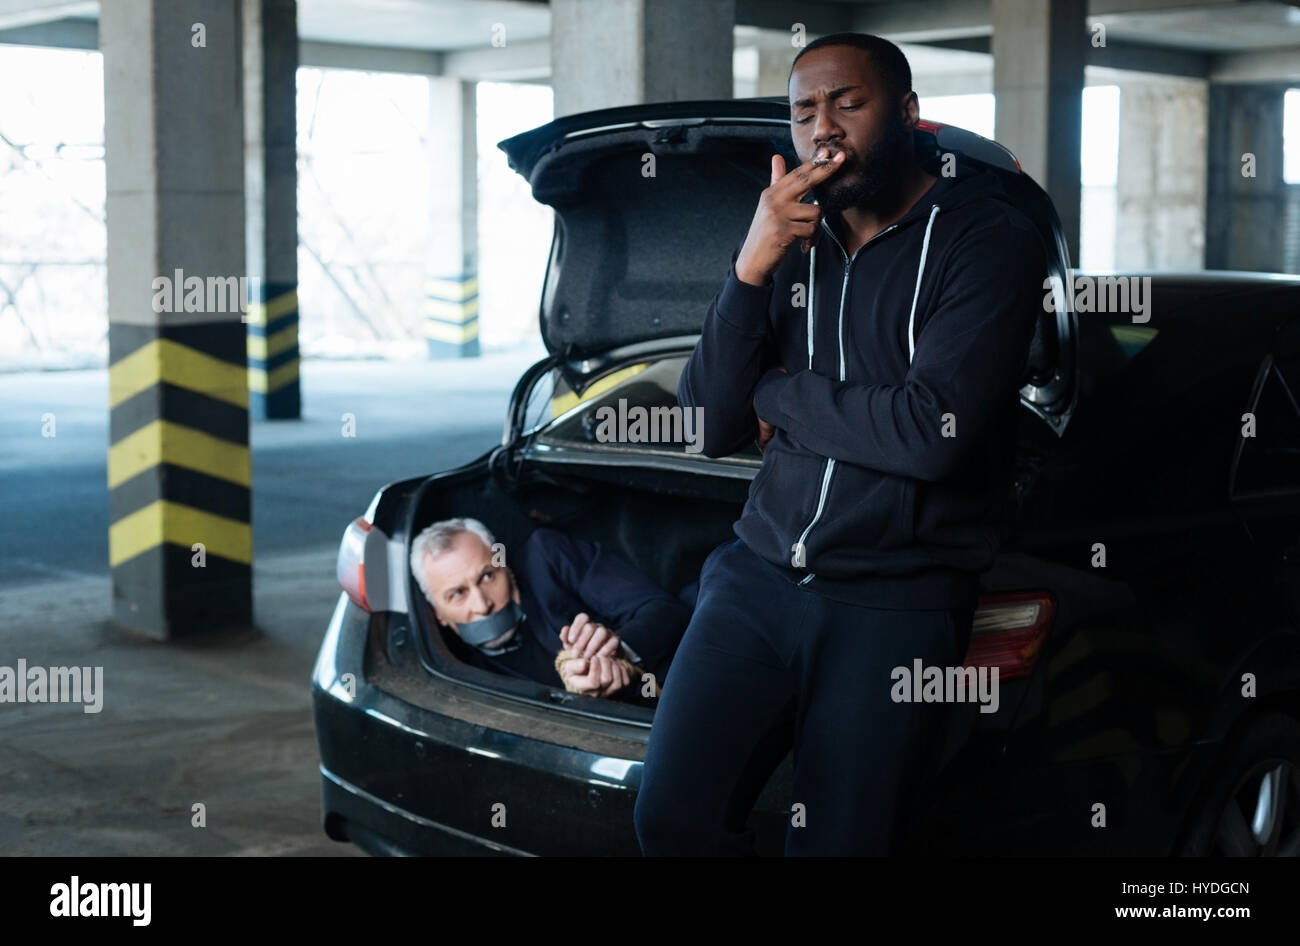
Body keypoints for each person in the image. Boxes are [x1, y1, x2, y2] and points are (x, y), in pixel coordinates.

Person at [633, 32, 1049, 855]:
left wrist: (776, 392)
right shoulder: (787, 242)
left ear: (907, 114)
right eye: (803, 112)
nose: (823, 129)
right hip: (755, 580)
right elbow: (709, 427)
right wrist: (749, 268)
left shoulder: (984, 239)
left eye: (847, 104)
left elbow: (930, 433)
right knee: (670, 820)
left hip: (894, 603)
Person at [409, 518, 689, 703]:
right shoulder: (458, 674)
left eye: (487, 576)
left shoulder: (546, 557)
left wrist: (619, 652)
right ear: (439, 615)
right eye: (457, 594)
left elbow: (664, 610)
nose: (483, 606)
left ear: (505, 566)